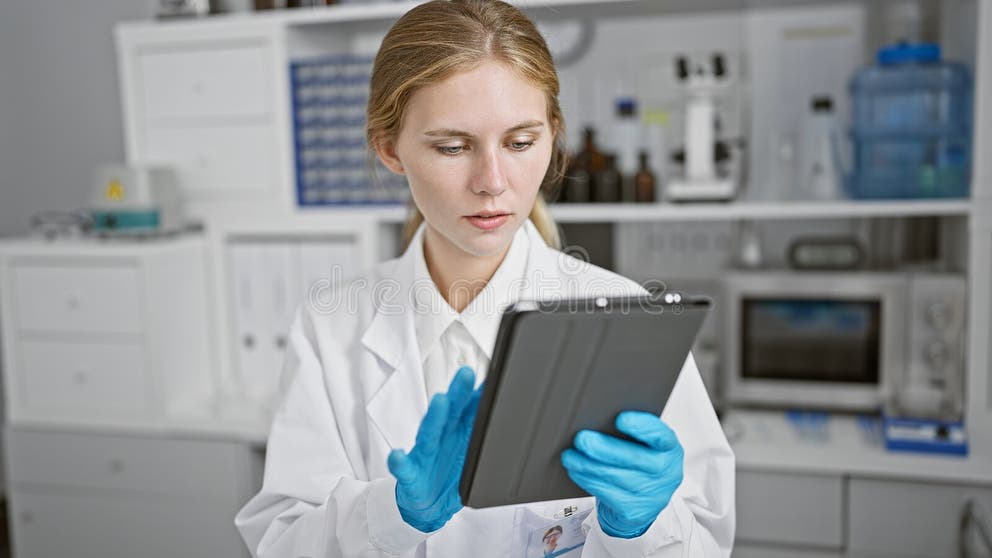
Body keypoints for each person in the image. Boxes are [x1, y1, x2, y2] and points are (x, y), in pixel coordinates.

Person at [235, 1, 735, 556]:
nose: (492, 182)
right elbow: (281, 544)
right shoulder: (330, 329)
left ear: (552, 134)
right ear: (389, 148)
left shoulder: (626, 314)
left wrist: (643, 527)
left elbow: (706, 544)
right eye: (452, 147)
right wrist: (393, 515)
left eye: (520, 143)